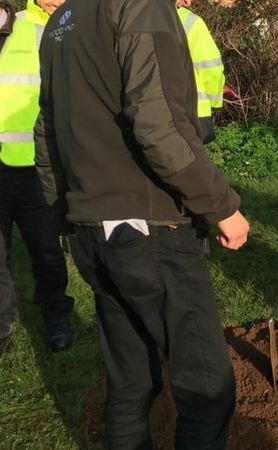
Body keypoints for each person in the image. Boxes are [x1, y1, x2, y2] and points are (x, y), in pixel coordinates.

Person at [35, 0, 250, 448]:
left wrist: (67, 215)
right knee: (207, 390)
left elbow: (47, 131)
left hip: (92, 233)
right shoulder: (140, 6)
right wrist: (222, 206)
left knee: (130, 386)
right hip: (150, 233)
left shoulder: (61, 20)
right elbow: (158, 127)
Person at [0, 0, 74, 354]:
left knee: (45, 249)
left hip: (35, 165)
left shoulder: (40, 27)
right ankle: (1, 327)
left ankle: (56, 315)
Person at [176, 0, 225, 144]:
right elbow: (211, 68)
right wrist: (215, 99)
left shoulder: (132, 19)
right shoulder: (191, 22)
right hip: (193, 112)